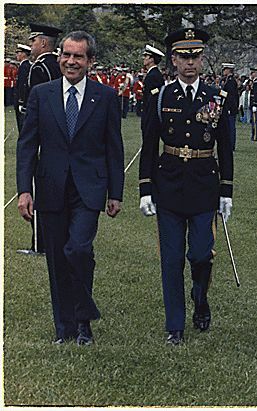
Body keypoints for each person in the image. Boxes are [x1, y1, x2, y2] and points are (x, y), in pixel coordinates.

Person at [16, 30, 124, 345]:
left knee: (78, 249)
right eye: (66, 54)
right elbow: (27, 147)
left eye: (78, 56)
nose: (70, 61)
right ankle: (65, 328)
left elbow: (113, 149)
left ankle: (83, 321)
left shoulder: (105, 98)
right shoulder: (42, 94)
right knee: (57, 260)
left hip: (88, 190)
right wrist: (25, 190)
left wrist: (115, 193)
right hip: (50, 187)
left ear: (90, 61)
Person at [138, 28, 234, 346]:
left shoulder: (216, 97)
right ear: (174, 60)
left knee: (202, 254)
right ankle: (175, 325)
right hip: (168, 185)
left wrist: (226, 191)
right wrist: (145, 188)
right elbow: (149, 144)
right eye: (183, 57)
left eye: (195, 57)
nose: (190, 63)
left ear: (203, 60)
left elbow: (226, 147)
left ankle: (199, 295)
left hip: (204, 185)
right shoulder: (161, 96)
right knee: (171, 258)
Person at [17, 23, 64, 257]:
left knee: (38, 189)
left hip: (43, 135)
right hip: (60, 136)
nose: (32, 45)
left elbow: (34, 107)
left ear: (44, 43)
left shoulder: (39, 68)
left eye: (34, 41)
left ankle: (39, 244)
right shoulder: (59, 65)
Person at [141, 44, 165, 128]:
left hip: (151, 115)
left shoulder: (153, 75)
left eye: (146, 56)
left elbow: (153, 95)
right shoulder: (152, 74)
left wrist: (148, 115)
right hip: (148, 113)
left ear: (152, 59)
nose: (144, 58)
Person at [220, 63, 239, 151]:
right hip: (229, 106)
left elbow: (230, 95)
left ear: (228, 70)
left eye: (225, 69)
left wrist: (219, 92)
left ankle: (231, 145)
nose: (224, 71)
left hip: (230, 107)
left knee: (231, 127)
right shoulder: (228, 80)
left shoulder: (231, 81)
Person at [14, 43, 32, 132]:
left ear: (24, 54)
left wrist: (21, 101)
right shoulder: (25, 65)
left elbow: (23, 85)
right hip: (22, 100)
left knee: (22, 126)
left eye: (19, 52)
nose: (17, 55)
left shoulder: (24, 66)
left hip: (21, 100)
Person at [249, 67, 257, 141]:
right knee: (254, 121)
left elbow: (256, 95)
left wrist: (255, 104)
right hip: (253, 103)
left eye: (252, 73)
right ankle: (254, 135)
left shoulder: (256, 83)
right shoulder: (254, 82)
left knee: (255, 121)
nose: (251, 75)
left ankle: (255, 136)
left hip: (255, 104)